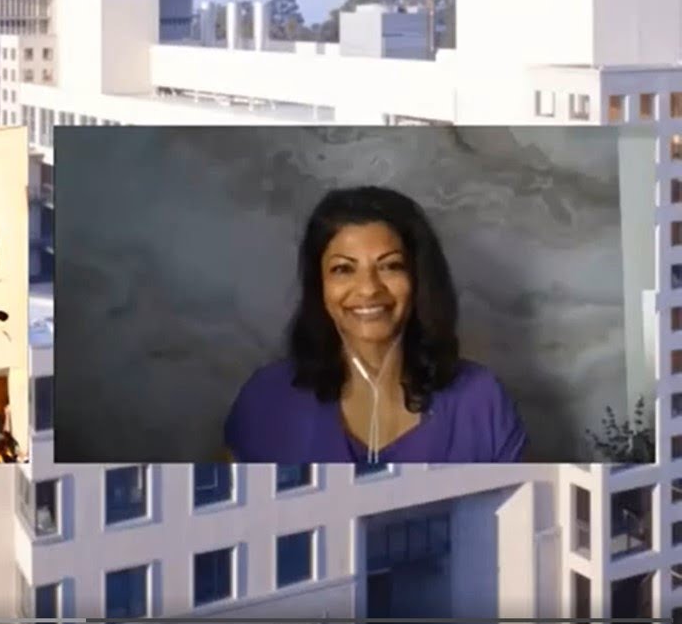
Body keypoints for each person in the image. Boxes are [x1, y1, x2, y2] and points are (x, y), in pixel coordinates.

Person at [224, 186, 528, 464]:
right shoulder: (266, 399)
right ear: (320, 286)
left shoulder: (481, 401)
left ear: (418, 278)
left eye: (390, 266)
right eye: (343, 269)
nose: (369, 289)